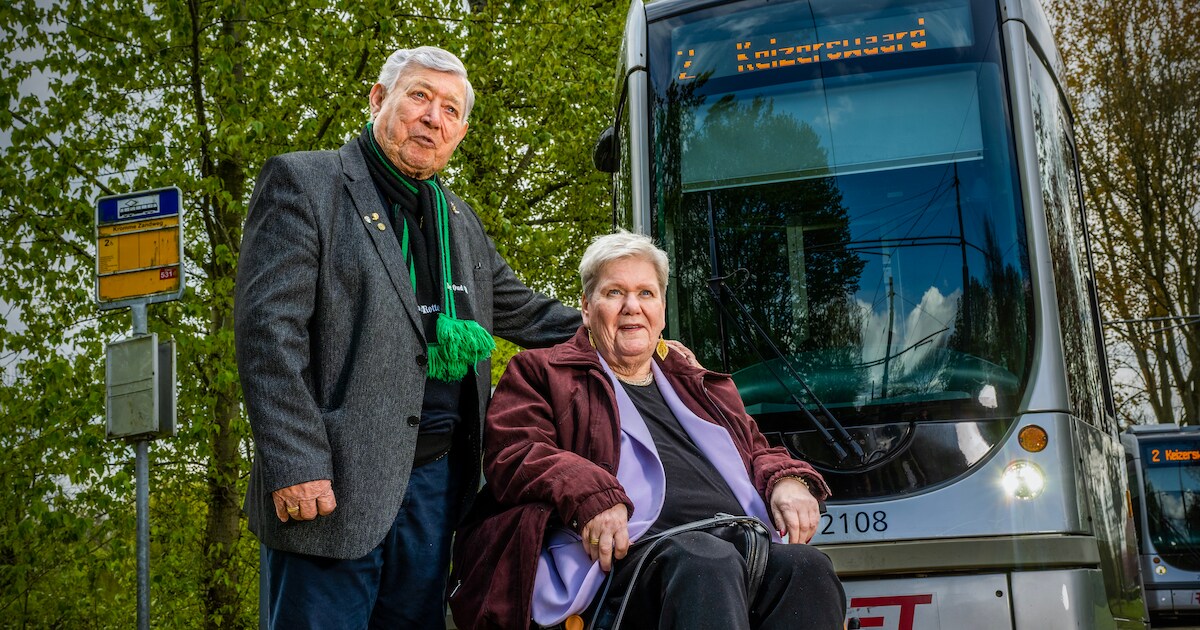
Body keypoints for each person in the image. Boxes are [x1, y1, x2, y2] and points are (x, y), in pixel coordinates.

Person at [234, 46, 584, 628]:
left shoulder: (461, 222)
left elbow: (525, 313)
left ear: (461, 132)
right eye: (419, 96)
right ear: (379, 98)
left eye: (449, 108)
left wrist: (628, 330)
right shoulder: (306, 183)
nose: (432, 116)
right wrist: (294, 462)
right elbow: (269, 335)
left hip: (438, 490)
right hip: (333, 484)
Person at [449, 231, 847, 630]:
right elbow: (515, 451)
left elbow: (756, 449)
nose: (631, 308)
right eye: (614, 293)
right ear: (586, 309)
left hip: (738, 538)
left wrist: (787, 479)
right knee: (706, 559)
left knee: (806, 567)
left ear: (660, 309)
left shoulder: (699, 382)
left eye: (645, 293)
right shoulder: (541, 371)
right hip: (630, 555)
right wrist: (592, 495)